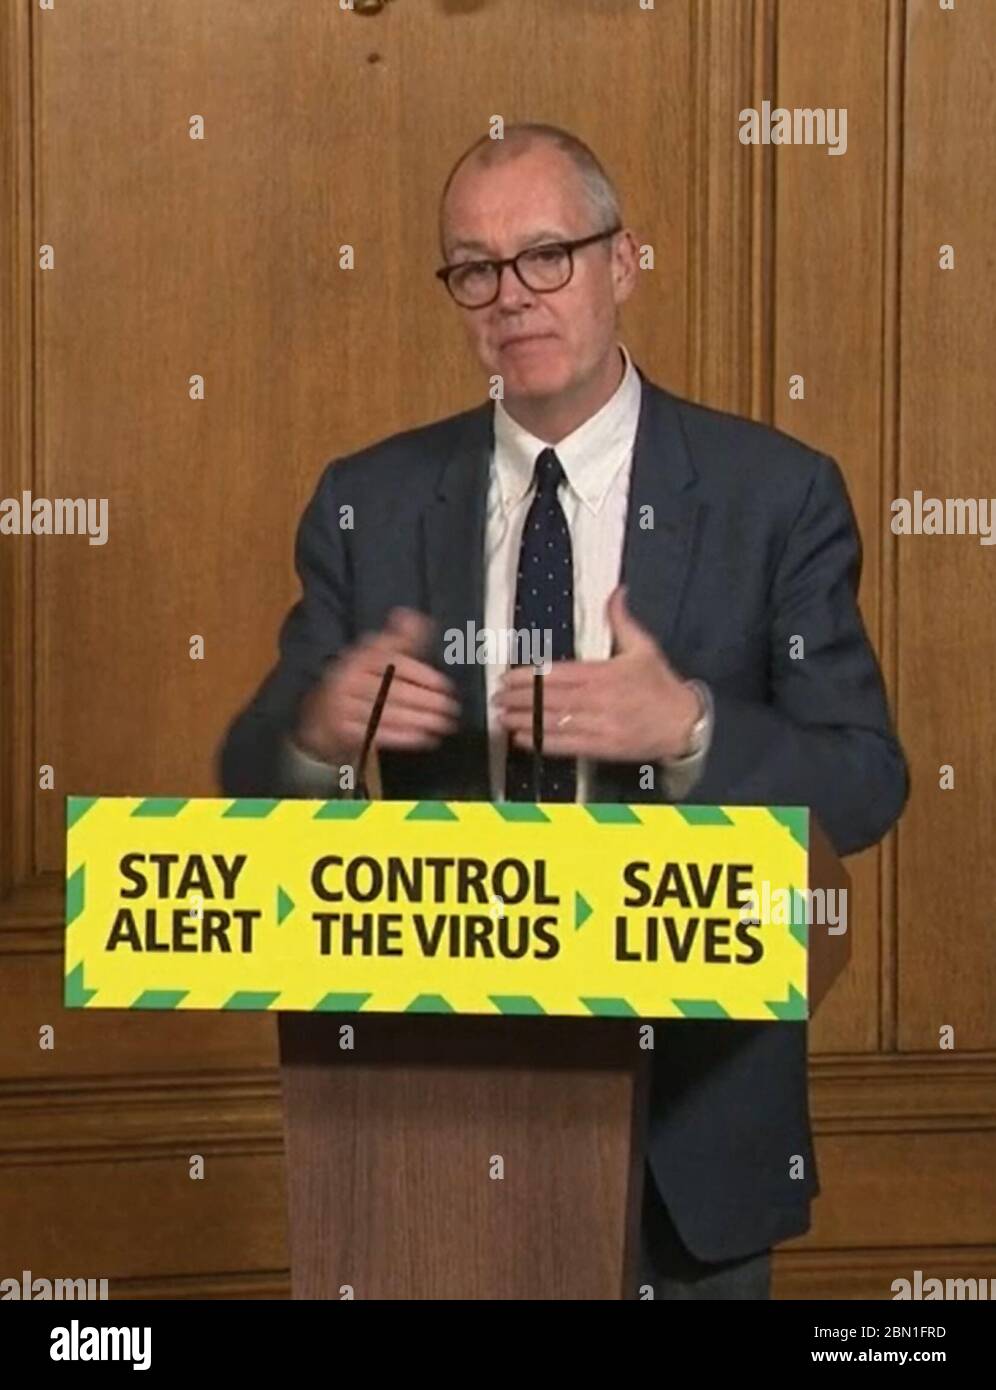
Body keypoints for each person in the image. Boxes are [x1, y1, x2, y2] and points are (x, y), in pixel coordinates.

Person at [219, 123, 908, 1299]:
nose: (512, 298)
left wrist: (688, 727)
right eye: (474, 269)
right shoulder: (370, 499)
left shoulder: (774, 492)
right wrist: (317, 736)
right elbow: (251, 774)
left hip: (692, 1133)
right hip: (422, 1131)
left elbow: (865, 781)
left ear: (624, 262)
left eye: (548, 256)